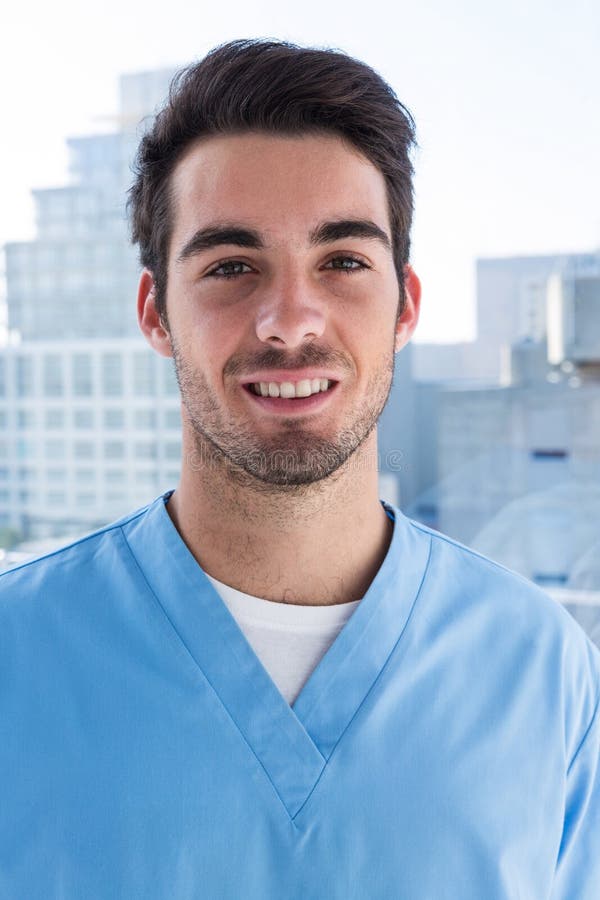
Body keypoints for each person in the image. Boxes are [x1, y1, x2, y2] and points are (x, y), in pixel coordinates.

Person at [1, 39, 598, 899]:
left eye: (344, 262)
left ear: (406, 306)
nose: (289, 321)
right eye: (231, 267)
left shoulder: (542, 668)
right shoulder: (17, 658)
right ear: (155, 313)